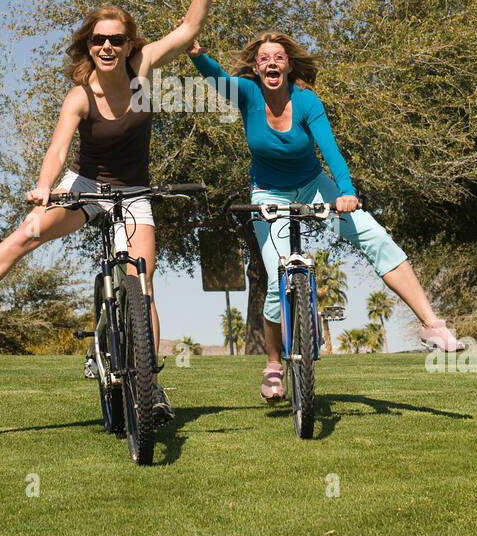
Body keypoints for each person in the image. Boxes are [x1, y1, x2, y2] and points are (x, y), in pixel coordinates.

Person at [0, 0, 222, 425]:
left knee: (142, 287)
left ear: (128, 45)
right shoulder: (81, 95)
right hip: (84, 186)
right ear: (88, 44)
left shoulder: (143, 69)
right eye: (97, 39)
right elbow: (58, 149)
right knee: (27, 232)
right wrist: (44, 186)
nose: (106, 46)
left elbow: (188, 28)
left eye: (115, 39)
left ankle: (152, 388)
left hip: (134, 194)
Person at [186, 30, 462, 402]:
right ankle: (272, 365)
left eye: (279, 57)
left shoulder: (306, 101)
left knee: (374, 236)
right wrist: (197, 54)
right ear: (256, 66)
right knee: (274, 278)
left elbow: (329, 149)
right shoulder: (247, 94)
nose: (271, 62)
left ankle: (431, 325)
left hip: (314, 185)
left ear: (288, 65)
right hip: (267, 193)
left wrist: (346, 192)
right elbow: (217, 78)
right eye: (264, 58)